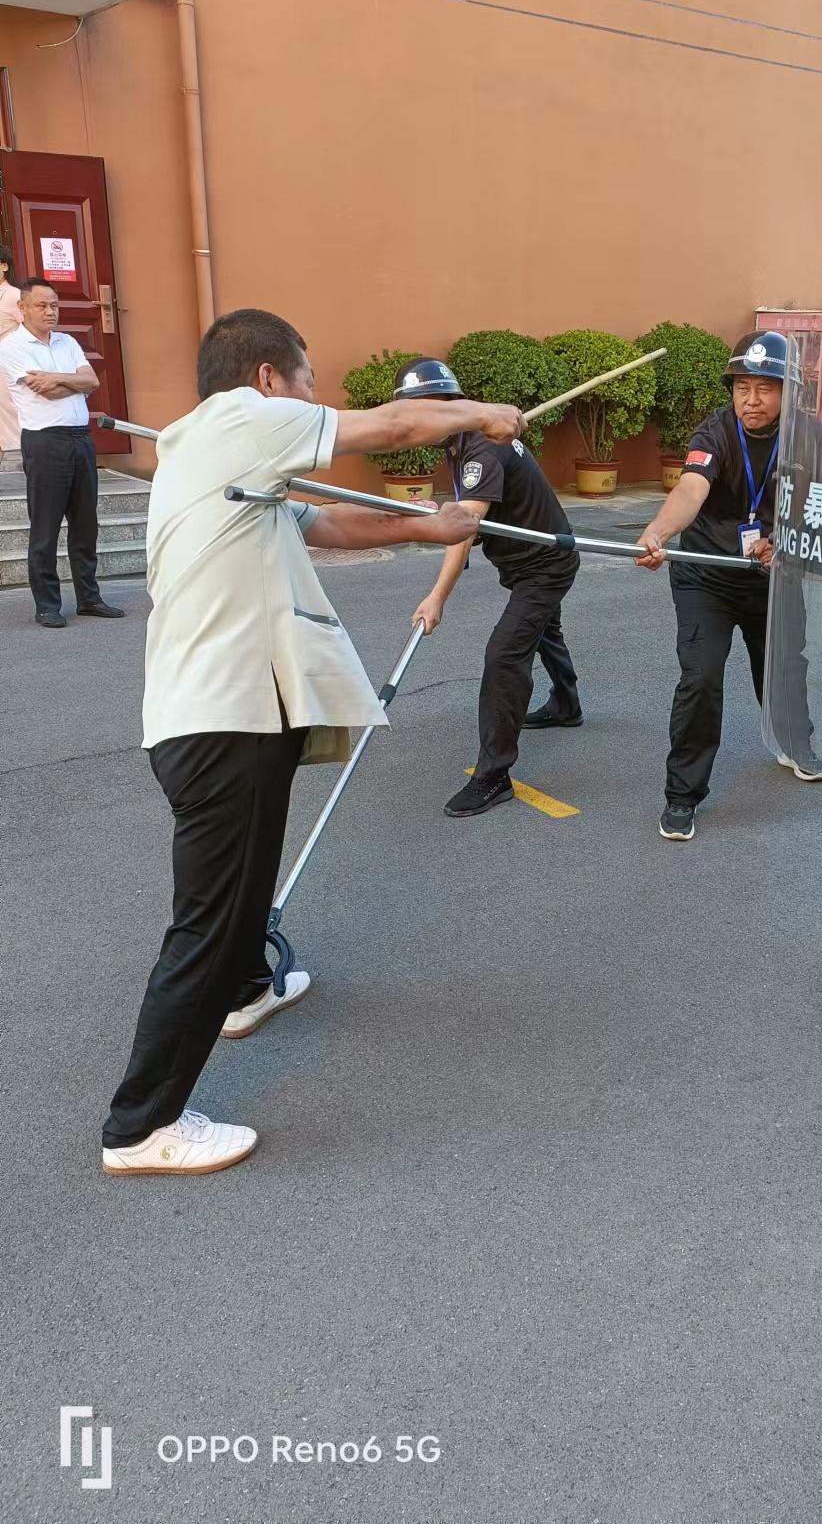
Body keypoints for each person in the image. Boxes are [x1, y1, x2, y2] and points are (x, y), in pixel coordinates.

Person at [102, 310, 524, 1177]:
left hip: (235, 719)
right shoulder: (240, 421)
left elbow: (324, 526)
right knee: (206, 922)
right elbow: (393, 426)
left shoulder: (216, 458)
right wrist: (483, 414)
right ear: (268, 379)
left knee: (243, 889)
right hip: (221, 723)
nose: (313, 396)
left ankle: (248, 988)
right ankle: (141, 1127)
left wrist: (429, 527)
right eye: (307, 380)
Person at [636, 329, 822, 842]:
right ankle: (682, 795)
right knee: (700, 678)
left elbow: (821, 509)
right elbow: (690, 489)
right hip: (707, 577)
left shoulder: (811, 438)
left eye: (764, 388)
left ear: (789, 392)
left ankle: (794, 742)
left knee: (784, 666)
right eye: (742, 388)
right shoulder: (714, 432)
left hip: (772, 575)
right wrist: (658, 532)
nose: (751, 400)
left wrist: (785, 543)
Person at [404, 358, 583, 816]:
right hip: (524, 563)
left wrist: (437, 597)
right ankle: (566, 703)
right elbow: (469, 511)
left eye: (429, 408)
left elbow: (464, 529)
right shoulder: (463, 438)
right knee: (544, 630)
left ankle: (493, 776)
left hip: (545, 566)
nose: (419, 420)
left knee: (505, 655)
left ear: (452, 402)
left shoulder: (482, 448)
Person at [0, 276, 123, 627]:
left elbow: (93, 381)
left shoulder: (67, 341)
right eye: (41, 305)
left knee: (85, 524)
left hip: (80, 440)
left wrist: (57, 377)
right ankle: (47, 604)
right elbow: (48, 392)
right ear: (22, 308)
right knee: (46, 525)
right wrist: (73, 382)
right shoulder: (12, 346)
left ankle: (89, 598)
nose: (50, 311)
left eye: (54, 305)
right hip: (45, 442)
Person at [0, 242, 22, 465]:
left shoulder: (15, 295)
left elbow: (31, 329)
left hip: (9, 362)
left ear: (4, 266)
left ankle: (15, 455)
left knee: (8, 406)